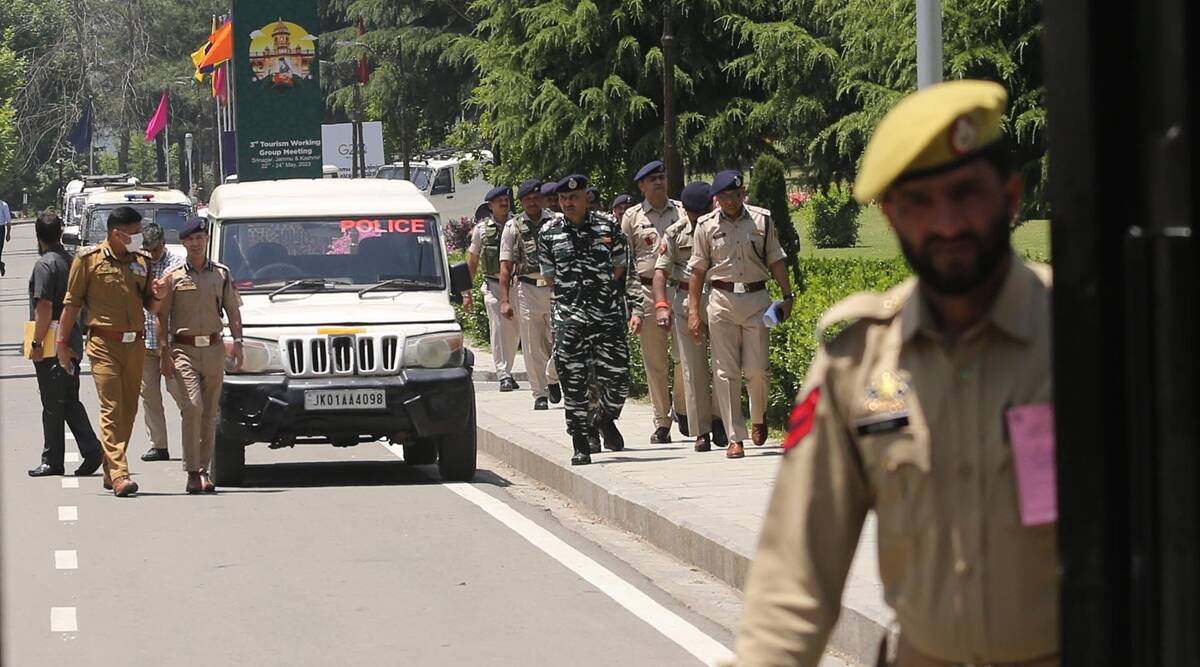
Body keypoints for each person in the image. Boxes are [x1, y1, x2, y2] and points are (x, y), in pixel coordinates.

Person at [734, 80, 1058, 667]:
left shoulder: (1085, 337)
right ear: (891, 215)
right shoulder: (855, 361)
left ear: (1011, 196)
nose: (947, 223)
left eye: (966, 194)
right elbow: (796, 573)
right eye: (919, 203)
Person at [57, 206, 166, 497]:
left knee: (129, 410)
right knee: (112, 407)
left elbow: (151, 305)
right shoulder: (88, 260)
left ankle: (109, 466)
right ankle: (120, 473)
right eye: (134, 232)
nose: (139, 237)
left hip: (135, 344)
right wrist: (61, 344)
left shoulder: (142, 261)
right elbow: (72, 304)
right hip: (103, 344)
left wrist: (159, 296)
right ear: (117, 233)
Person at [687, 169, 793, 459]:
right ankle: (735, 437)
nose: (730, 202)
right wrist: (694, 312)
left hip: (757, 299)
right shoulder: (705, 226)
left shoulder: (762, 219)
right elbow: (697, 270)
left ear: (743, 194)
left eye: (735, 195)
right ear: (716, 199)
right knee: (725, 372)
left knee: (757, 370)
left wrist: (788, 296)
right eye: (724, 197)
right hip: (721, 299)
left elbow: (776, 258)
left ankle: (759, 416)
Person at [538, 174, 629, 465]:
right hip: (570, 319)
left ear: (585, 197)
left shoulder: (607, 225)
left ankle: (603, 418)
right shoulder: (549, 232)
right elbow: (549, 276)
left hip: (606, 317)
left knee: (618, 379)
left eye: (573, 198)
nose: (568, 203)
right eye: (563, 199)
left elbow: (619, 265)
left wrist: (599, 289)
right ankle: (581, 441)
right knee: (574, 384)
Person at [157, 218, 244, 493]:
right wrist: (164, 353)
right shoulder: (173, 276)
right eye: (190, 239)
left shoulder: (221, 273)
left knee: (209, 411)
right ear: (183, 243)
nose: (195, 244)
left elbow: (233, 311)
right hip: (184, 349)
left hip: (214, 349)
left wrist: (238, 343)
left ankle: (204, 470)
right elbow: (161, 316)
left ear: (206, 240)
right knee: (192, 406)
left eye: (199, 238)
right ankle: (192, 471)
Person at [26, 211, 104, 477]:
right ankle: (92, 450)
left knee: (52, 401)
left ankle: (53, 460)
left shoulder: (44, 265)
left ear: (39, 237)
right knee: (68, 398)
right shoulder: (72, 261)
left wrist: (36, 342)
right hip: (72, 337)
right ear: (60, 233)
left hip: (52, 342)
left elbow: (44, 307)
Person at [653, 181, 728, 452]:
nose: (697, 218)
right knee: (692, 369)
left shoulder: (723, 228)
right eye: (692, 212)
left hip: (718, 298)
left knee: (724, 365)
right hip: (685, 301)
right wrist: (661, 305)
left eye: (702, 211)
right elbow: (660, 271)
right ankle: (701, 430)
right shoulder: (675, 233)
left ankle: (721, 420)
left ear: (712, 205)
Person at [622, 160, 687, 443]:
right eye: (653, 180)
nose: (659, 182)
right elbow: (625, 263)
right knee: (655, 362)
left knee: (685, 356)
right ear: (642, 186)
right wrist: (633, 305)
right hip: (647, 293)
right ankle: (662, 421)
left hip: (679, 290)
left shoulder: (681, 211)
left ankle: (682, 407)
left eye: (662, 177)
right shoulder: (632, 217)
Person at [499, 179, 561, 410]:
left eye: (536, 198)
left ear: (542, 198)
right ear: (522, 202)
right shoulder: (512, 227)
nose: (532, 202)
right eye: (527, 199)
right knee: (532, 344)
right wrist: (505, 300)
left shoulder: (557, 221)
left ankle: (553, 376)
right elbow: (505, 266)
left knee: (562, 340)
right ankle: (540, 393)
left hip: (555, 288)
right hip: (527, 288)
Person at [138, 223, 185, 462]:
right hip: (145, 341)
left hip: (172, 342)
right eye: (148, 250)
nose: (152, 255)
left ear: (163, 244)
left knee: (180, 392)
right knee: (149, 395)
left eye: (155, 250)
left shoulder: (176, 265)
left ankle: (195, 441)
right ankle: (159, 445)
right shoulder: (139, 265)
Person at [466, 186, 521, 391]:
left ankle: (508, 370)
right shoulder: (481, 230)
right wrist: (466, 292)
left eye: (506, 200)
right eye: (500, 201)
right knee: (499, 329)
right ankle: (503, 374)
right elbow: (472, 262)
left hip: (517, 285)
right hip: (493, 286)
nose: (504, 204)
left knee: (514, 332)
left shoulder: (518, 226)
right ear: (491, 206)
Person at [0, 196, 10, 276]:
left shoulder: (4, 205)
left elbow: (8, 220)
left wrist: (8, 233)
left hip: (1, 229)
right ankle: (1, 264)